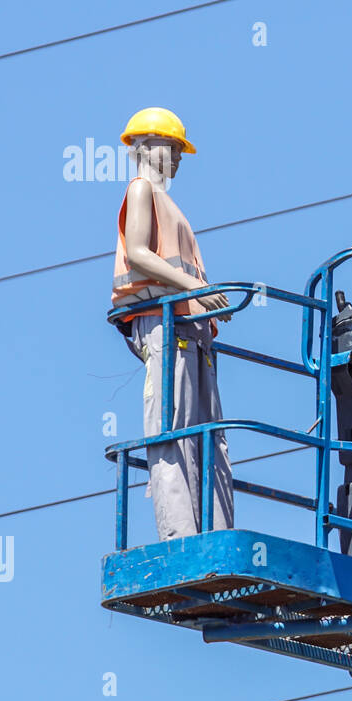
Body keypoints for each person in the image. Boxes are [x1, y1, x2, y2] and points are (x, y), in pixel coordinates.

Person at [110, 107, 235, 540]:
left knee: (211, 438)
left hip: (191, 332)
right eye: (173, 147)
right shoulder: (142, 189)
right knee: (173, 431)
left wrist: (204, 303)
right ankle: (180, 538)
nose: (179, 157)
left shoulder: (172, 206)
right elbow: (141, 253)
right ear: (146, 147)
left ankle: (215, 535)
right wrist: (196, 289)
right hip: (164, 326)